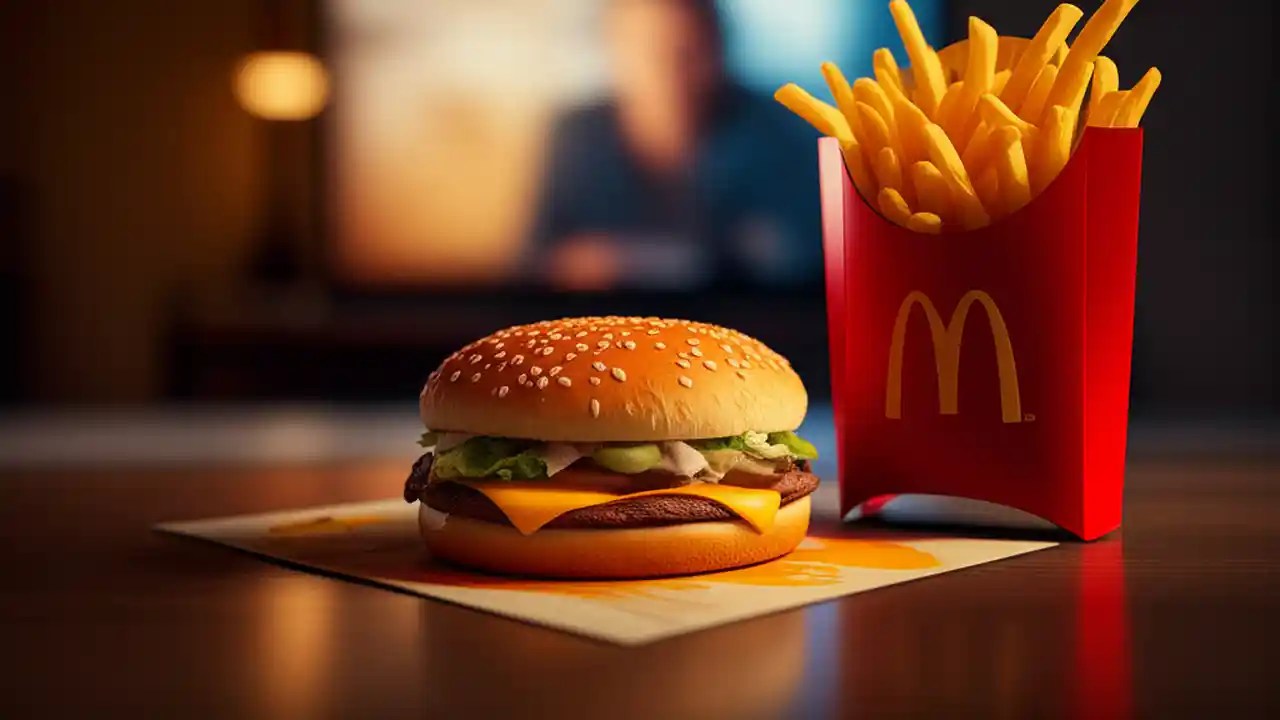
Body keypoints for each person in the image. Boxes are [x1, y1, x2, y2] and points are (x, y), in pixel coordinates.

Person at [527, 0, 821, 292]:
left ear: (718, 49)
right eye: (647, 51)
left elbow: (803, 260)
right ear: (612, 51)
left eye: (686, 52)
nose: (668, 73)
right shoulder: (578, 136)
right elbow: (534, 263)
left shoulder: (783, 134)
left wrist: (640, 262)